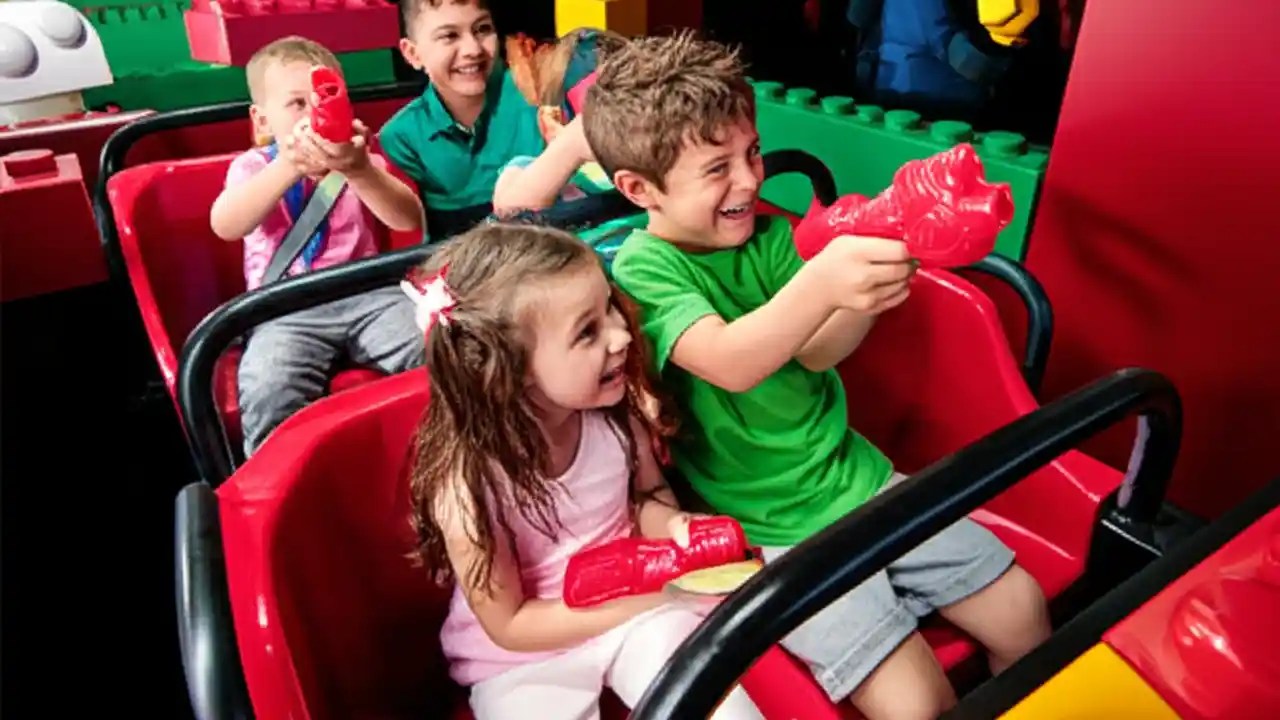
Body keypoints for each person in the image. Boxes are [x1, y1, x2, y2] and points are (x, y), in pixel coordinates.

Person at [586, 32, 1052, 720]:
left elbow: (818, 352)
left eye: (751, 153)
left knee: (1025, 612)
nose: (749, 179)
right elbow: (732, 362)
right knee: (918, 703)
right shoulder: (645, 269)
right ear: (638, 189)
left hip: (859, 478)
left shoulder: (771, 240)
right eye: (717, 168)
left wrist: (868, 283)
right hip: (769, 526)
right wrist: (825, 283)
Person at [400, 223, 762, 720]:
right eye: (587, 331)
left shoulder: (612, 414)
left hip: (641, 611)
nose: (619, 334)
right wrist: (655, 594)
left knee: (726, 706)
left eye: (609, 305)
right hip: (523, 659)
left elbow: (645, 497)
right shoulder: (469, 488)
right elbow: (511, 625)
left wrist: (674, 527)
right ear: (509, 370)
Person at [209, 36, 425, 456]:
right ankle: (282, 479)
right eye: (297, 104)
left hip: (365, 296)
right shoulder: (252, 167)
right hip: (284, 309)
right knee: (270, 383)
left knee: (440, 345)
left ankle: (456, 449)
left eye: (325, 99)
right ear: (263, 120)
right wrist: (288, 167)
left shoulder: (362, 161)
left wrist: (359, 170)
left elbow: (408, 221)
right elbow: (227, 224)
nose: (314, 114)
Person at [379, 0, 546, 240]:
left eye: (482, 29)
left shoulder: (538, 94)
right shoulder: (400, 137)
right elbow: (407, 225)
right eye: (449, 36)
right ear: (413, 54)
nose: (473, 49)